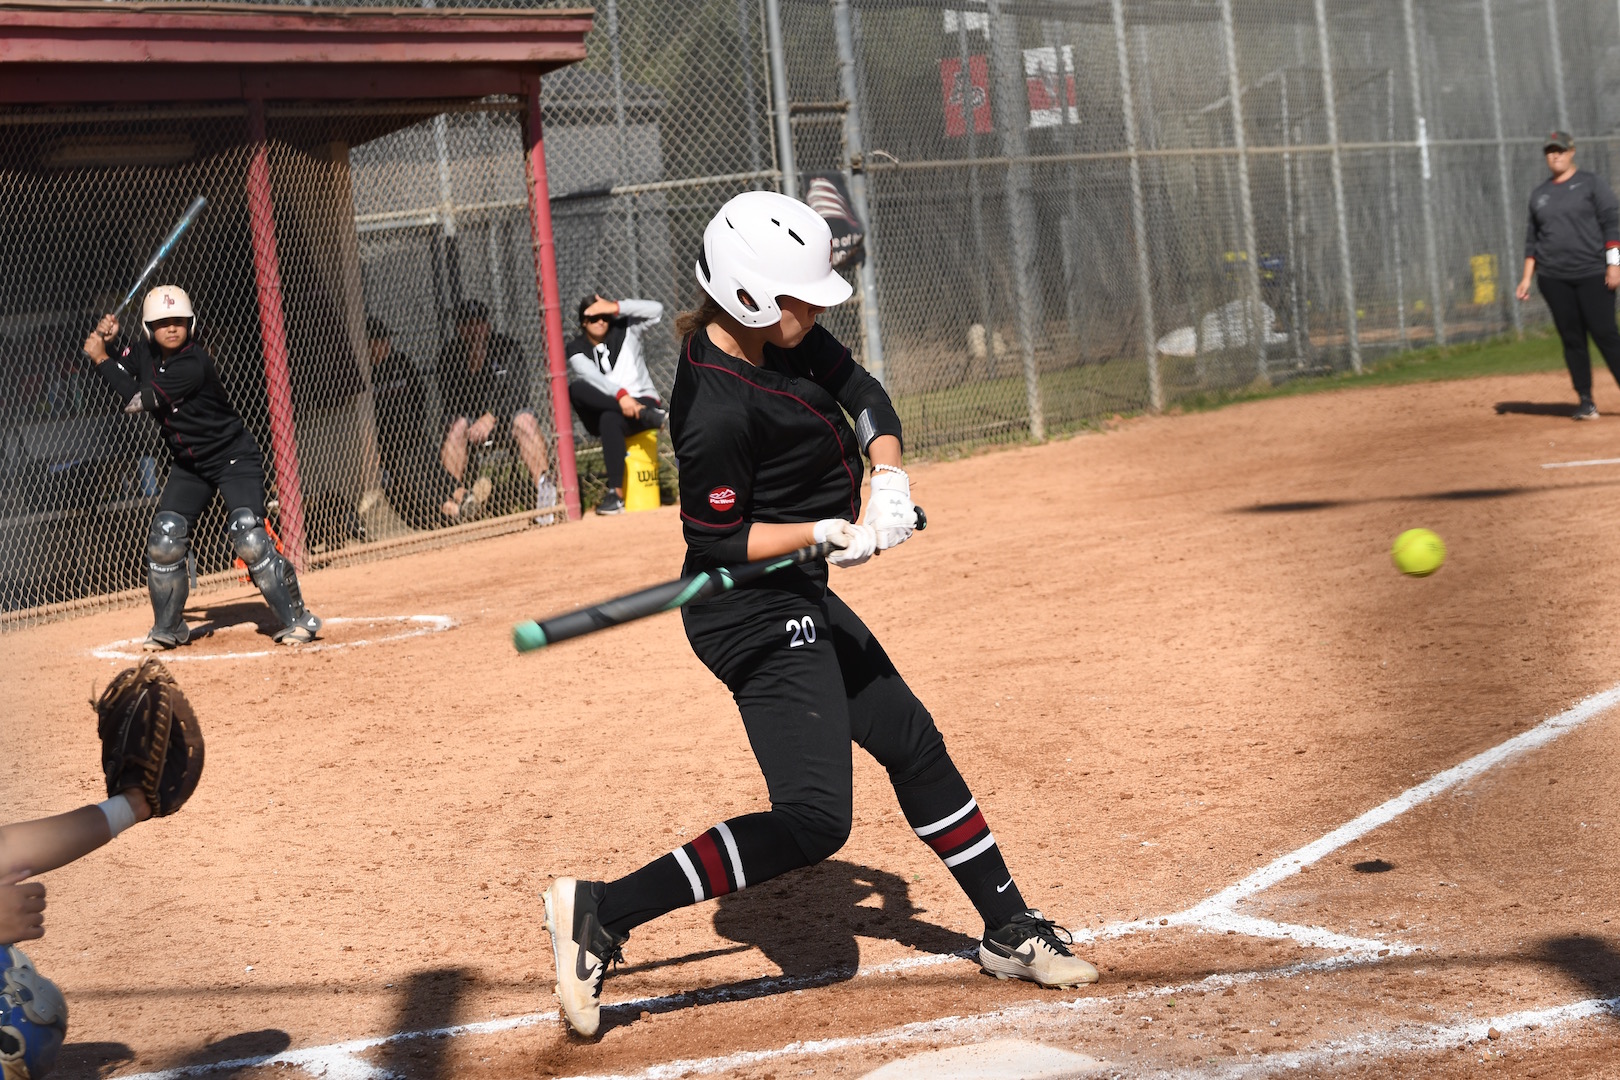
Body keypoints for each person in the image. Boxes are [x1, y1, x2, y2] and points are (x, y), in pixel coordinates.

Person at [540, 191, 1097, 1039]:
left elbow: (862, 389)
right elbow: (719, 542)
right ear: (751, 295)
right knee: (814, 820)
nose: (817, 311)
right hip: (747, 610)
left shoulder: (782, 336)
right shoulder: (717, 408)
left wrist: (890, 478)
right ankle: (602, 911)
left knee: (910, 738)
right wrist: (827, 533)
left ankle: (1009, 927)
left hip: (798, 589)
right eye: (801, 297)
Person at [83, 286, 322, 648]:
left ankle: (298, 619)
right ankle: (169, 628)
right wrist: (115, 343)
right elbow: (132, 361)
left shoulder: (193, 363)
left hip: (232, 457)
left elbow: (138, 399)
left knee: (249, 536)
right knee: (165, 538)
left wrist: (100, 359)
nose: (172, 328)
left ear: (191, 324)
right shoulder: (148, 350)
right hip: (189, 464)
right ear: (150, 328)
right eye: (162, 323)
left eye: (178, 321)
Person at [1515, 130, 1620, 420]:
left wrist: (1615, 264)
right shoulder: (1540, 194)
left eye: (1560, 149)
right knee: (1572, 338)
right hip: (1553, 278)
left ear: (1572, 151)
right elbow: (1531, 240)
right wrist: (1526, 278)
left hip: (1593, 273)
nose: (1555, 155)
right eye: (1550, 151)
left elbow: (1612, 224)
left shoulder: (1590, 184)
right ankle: (1586, 400)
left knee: (1605, 333)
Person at [436, 299, 557, 522]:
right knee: (456, 427)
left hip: (504, 420)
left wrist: (492, 416)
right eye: (467, 324)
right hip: (471, 424)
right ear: (459, 328)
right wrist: (473, 366)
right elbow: (451, 400)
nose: (474, 329)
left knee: (526, 421)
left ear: (487, 325)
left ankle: (545, 494)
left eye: (478, 323)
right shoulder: (449, 355)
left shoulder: (507, 348)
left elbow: (519, 392)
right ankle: (457, 503)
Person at [566, 294, 667, 515]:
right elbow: (592, 377)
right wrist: (621, 396)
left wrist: (616, 306)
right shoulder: (576, 347)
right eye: (594, 318)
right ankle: (647, 415)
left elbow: (656, 308)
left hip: (642, 400)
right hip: (614, 405)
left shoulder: (627, 328)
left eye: (604, 316)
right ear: (584, 322)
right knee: (576, 388)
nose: (601, 321)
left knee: (609, 419)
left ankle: (616, 496)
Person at [365, 316, 445, 531]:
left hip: (412, 434)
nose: (386, 344)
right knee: (406, 472)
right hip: (387, 445)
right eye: (379, 341)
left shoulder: (401, 363)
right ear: (368, 344)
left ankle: (455, 500)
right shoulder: (366, 373)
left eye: (386, 339)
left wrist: (416, 426)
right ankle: (439, 513)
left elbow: (420, 396)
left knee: (429, 461)